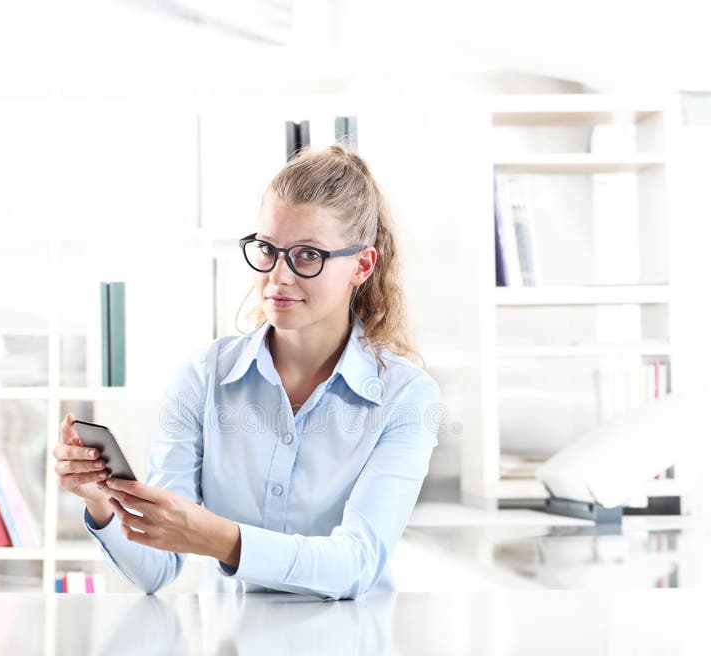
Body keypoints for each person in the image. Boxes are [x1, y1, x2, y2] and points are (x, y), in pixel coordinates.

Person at [53, 144, 442, 601]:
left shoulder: (406, 397)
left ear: (362, 265)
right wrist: (101, 503)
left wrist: (219, 538)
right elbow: (155, 571)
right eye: (268, 250)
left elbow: (355, 564)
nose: (278, 276)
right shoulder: (204, 377)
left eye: (308, 255)